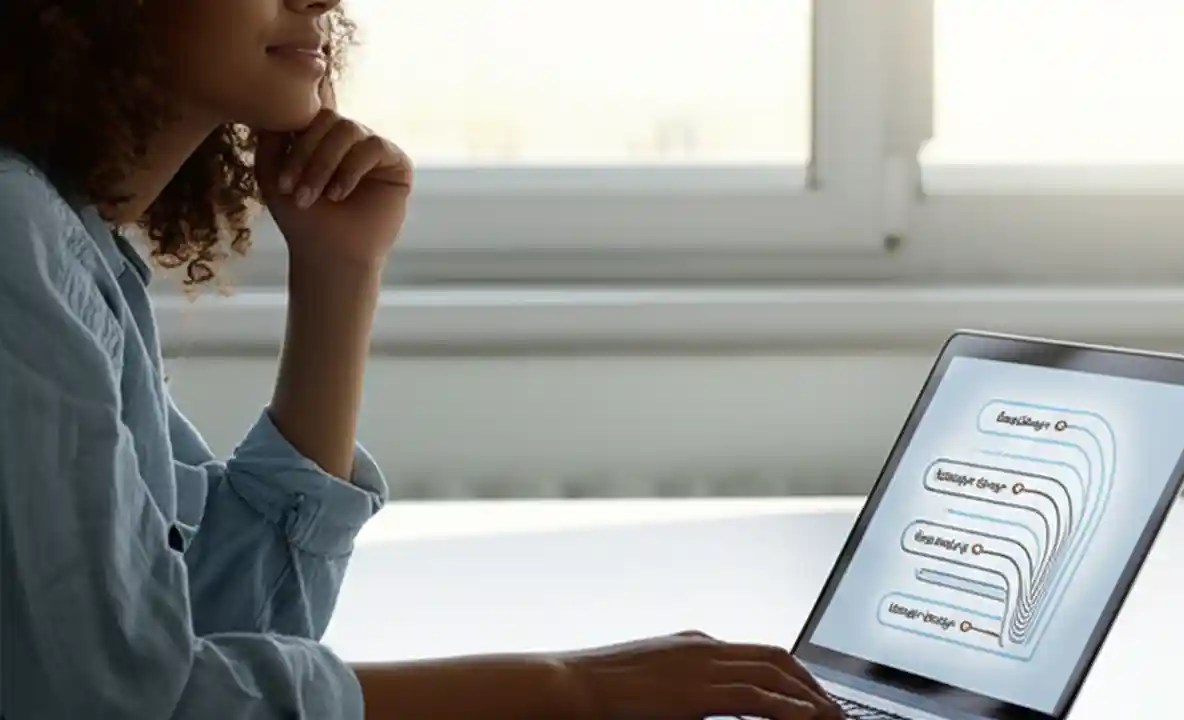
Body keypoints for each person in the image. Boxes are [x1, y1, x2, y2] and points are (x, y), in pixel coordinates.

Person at [0, 2, 844, 719]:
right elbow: (118, 701)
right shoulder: (15, 236)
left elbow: (230, 633)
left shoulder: (75, 250)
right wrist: (566, 688)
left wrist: (339, 274)